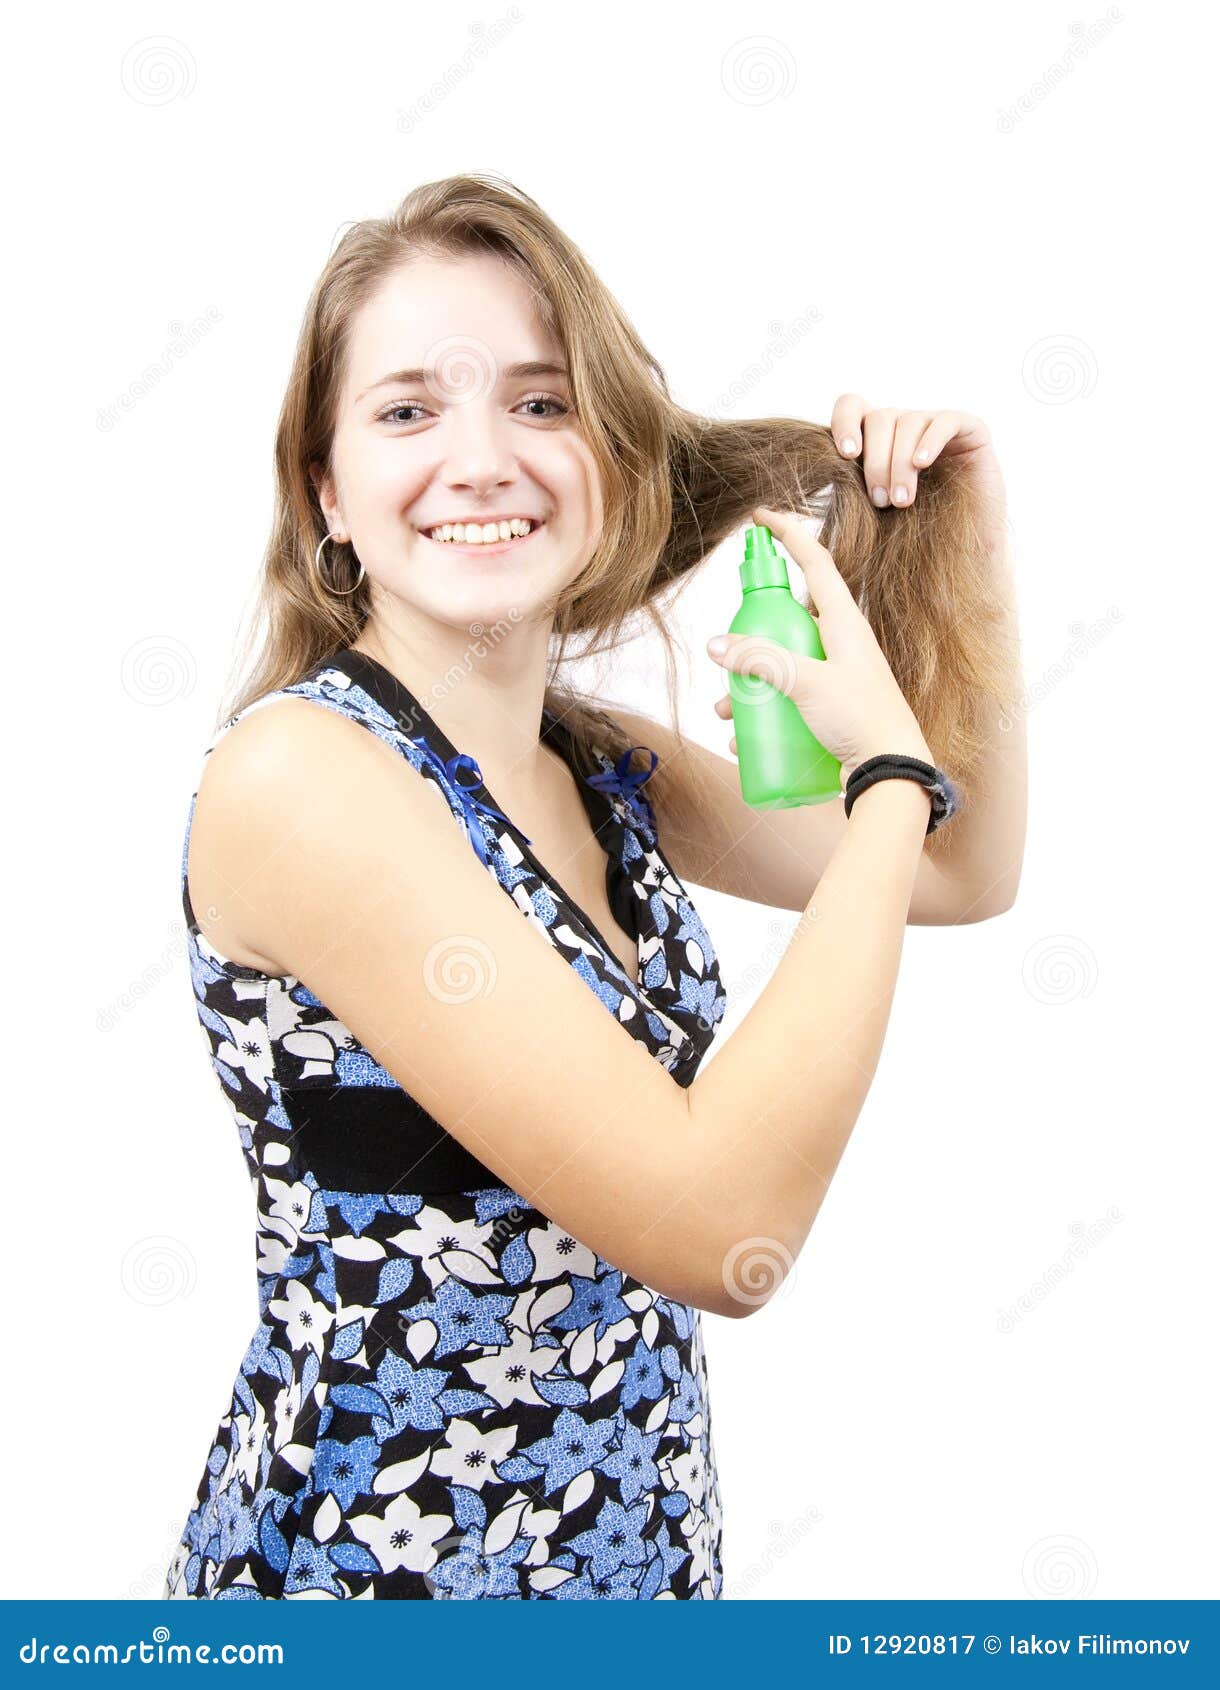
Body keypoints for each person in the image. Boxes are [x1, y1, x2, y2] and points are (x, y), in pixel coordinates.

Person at [163, 173, 1026, 1600]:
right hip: (383, 1592)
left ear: (610, 451)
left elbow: (962, 868)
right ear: (326, 488)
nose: (482, 460)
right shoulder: (301, 780)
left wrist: (964, 544)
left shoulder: (600, 764)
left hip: (631, 1564)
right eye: (407, 411)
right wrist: (884, 780)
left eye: (541, 402)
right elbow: (722, 1234)